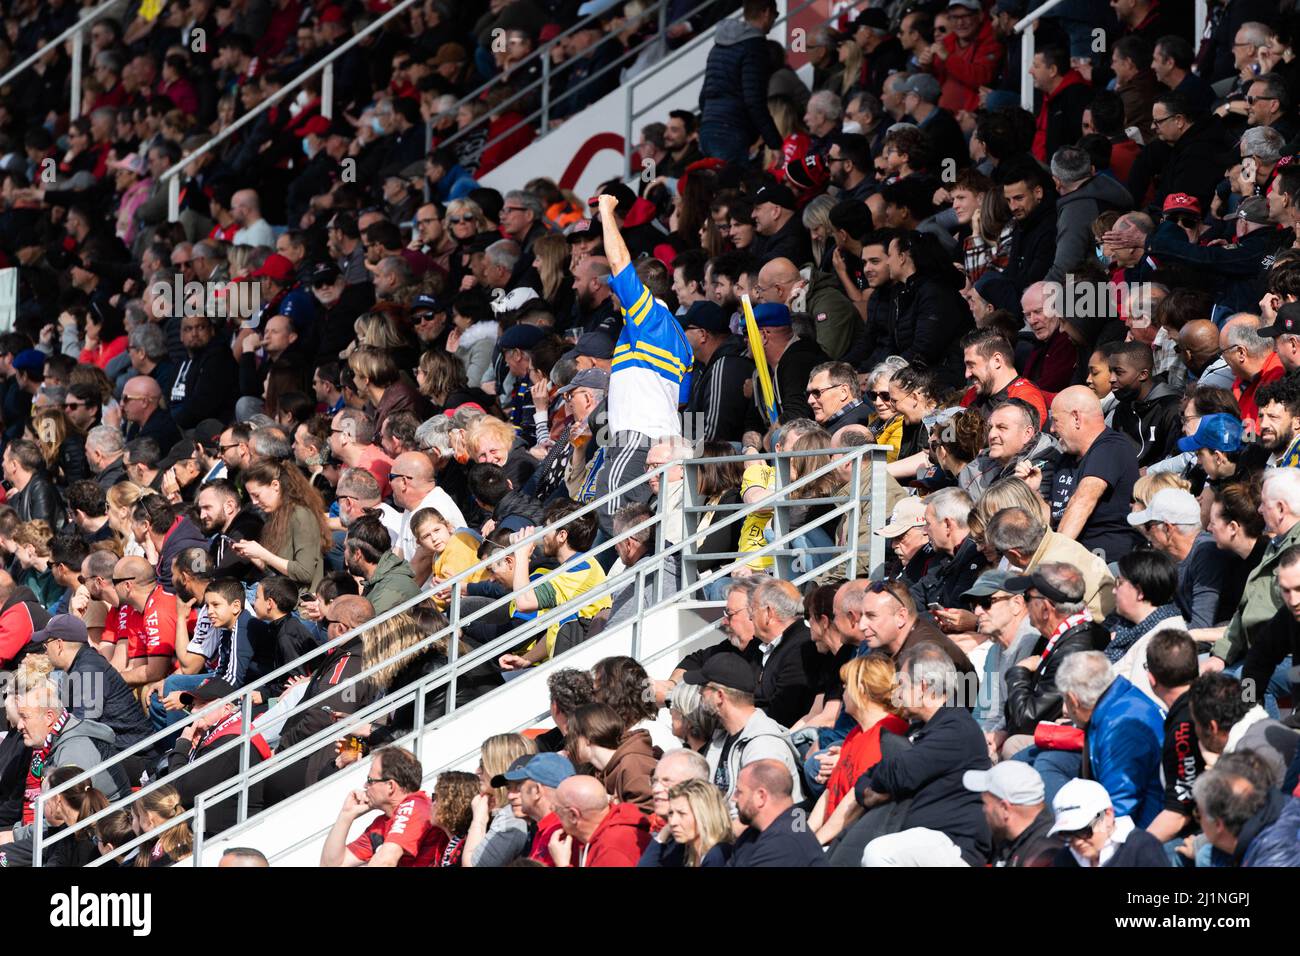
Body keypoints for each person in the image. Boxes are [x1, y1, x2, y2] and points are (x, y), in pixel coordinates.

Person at [858, 647, 993, 867]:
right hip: (919, 839)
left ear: (922, 688)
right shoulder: (920, 729)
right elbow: (869, 775)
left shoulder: (957, 729)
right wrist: (869, 791)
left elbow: (900, 773)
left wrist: (882, 786)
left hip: (952, 844)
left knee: (880, 853)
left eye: (902, 685)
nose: (898, 694)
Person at [806, 655, 910, 847]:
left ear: (860, 690)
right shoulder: (857, 732)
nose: (843, 691)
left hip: (851, 841)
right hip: (831, 835)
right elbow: (830, 792)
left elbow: (855, 803)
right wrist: (806, 837)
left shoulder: (888, 734)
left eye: (846, 685)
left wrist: (815, 842)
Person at [1052, 651, 1166, 826]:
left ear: (1073, 700)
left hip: (1148, 833)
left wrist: (1083, 836)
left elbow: (1119, 808)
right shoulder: (1120, 702)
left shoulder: (1121, 729)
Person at [1001, 564, 1110, 741]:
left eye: (1027, 597)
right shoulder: (1066, 635)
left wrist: (1018, 672)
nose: (1024, 605)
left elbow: (1025, 722)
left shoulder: (1073, 653)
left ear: (1045, 609)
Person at [1043, 386, 1143, 562]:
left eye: (1055, 420)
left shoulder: (1111, 447)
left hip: (1103, 561)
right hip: (1070, 555)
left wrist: (1051, 560)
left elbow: (1082, 502)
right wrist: (1033, 490)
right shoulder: (1065, 458)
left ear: (1076, 418)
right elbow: (1051, 518)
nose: (1051, 429)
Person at [685, 653, 804, 802]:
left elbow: (761, 813)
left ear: (720, 696)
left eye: (703, 687)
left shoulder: (764, 745)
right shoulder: (723, 737)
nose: (699, 692)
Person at [164, 677, 269, 838]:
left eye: (201, 704)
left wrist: (182, 746)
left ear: (226, 708)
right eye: (193, 705)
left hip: (226, 835)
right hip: (210, 828)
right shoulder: (220, 735)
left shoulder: (232, 740)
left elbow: (181, 791)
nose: (193, 711)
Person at [320, 747, 443, 867]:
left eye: (370, 780)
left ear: (390, 786)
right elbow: (330, 864)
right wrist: (346, 814)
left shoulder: (415, 805)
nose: (365, 785)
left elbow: (386, 861)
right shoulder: (381, 823)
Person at [1127, 488, 1225, 630]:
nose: (1146, 533)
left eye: (1148, 526)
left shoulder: (1206, 554)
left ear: (1168, 528)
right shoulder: (1168, 556)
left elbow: (1202, 626)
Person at [1143, 630, 1206, 846]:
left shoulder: (1183, 731)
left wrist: (1132, 849)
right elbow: (1252, 682)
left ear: (1152, 680)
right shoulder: (1213, 693)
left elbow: (1179, 814)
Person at [1189, 672, 1300, 784]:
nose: (1195, 731)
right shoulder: (1261, 727)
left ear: (1212, 727)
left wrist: (1217, 768)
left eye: (1195, 723)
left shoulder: (1248, 758)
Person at [1194, 750, 1300, 867]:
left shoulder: (1275, 859)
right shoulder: (1279, 807)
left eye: (1198, 814)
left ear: (1218, 824)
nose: (1200, 822)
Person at [747, 578, 820, 727]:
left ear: (768, 613)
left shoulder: (801, 649)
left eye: (752, 610)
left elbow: (783, 712)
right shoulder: (761, 645)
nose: (750, 617)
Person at [1048, 777, 1170, 867]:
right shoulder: (1064, 858)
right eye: (1067, 834)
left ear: (1108, 815)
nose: (1077, 841)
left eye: (1084, 830)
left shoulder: (1142, 847)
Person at [727, 759, 827, 867]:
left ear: (761, 796)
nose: (734, 798)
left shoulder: (785, 844)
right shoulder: (753, 833)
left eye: (739, 791)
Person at [963, 760, 1060, 867]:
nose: (984, 810)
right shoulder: (1009, 838)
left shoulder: (1043, 856)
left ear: (1004, 808)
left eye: (985, 803)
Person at [549, 774, 652, 868]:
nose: (554, 813)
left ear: (573, 815)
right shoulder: (604, 833)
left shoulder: (612, 850)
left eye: (556, 809)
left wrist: (562, 864)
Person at [496, 752, 576, 866]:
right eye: (509, 788)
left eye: (520, 787)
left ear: (537, 790)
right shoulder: (544, 830)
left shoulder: (562, 832)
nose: (510, 796)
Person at [641, 779, 736, 867]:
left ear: (704, 815)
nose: (673, 822)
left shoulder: (718, 856)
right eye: (671, 813)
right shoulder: (684, 851)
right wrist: (662, 835)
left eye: (682, 813)